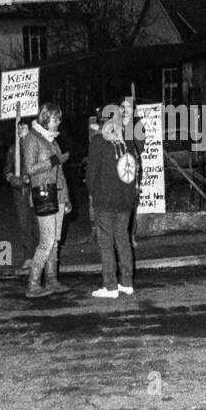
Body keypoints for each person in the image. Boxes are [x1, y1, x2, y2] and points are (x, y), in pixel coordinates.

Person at [86, 111, 139, 299]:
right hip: (125, 200)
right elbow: (132, 171)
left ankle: (110, 286)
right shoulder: (127, 141)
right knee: (123, 240)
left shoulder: (99, 141)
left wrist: (95, 194)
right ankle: (127, 282)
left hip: (105, 200)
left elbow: (91, 175)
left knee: (106, 242)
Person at [21, 103, 72, 298]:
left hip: (57, 194)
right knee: (47, 241)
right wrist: (53, 161)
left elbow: (60, 173)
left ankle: (52, 280)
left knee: (55, 242)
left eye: (59, 118)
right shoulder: (32, 139)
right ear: (45, 118)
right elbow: (30, 169)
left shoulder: (53, 140)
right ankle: (33, 284)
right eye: (55, 118)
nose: (59, 122)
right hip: (43, 194)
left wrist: (66, 198)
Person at [3, 120, 36, 273]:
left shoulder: (36, 145)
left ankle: (41, 256)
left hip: (36, 190)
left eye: (23, 127)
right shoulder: (13, 149)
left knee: (39, 223)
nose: (20, 129)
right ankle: (28, 256)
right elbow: (6, 170)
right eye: (18, 127)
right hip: (20, 193)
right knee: (25, 224)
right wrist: (11, 178)